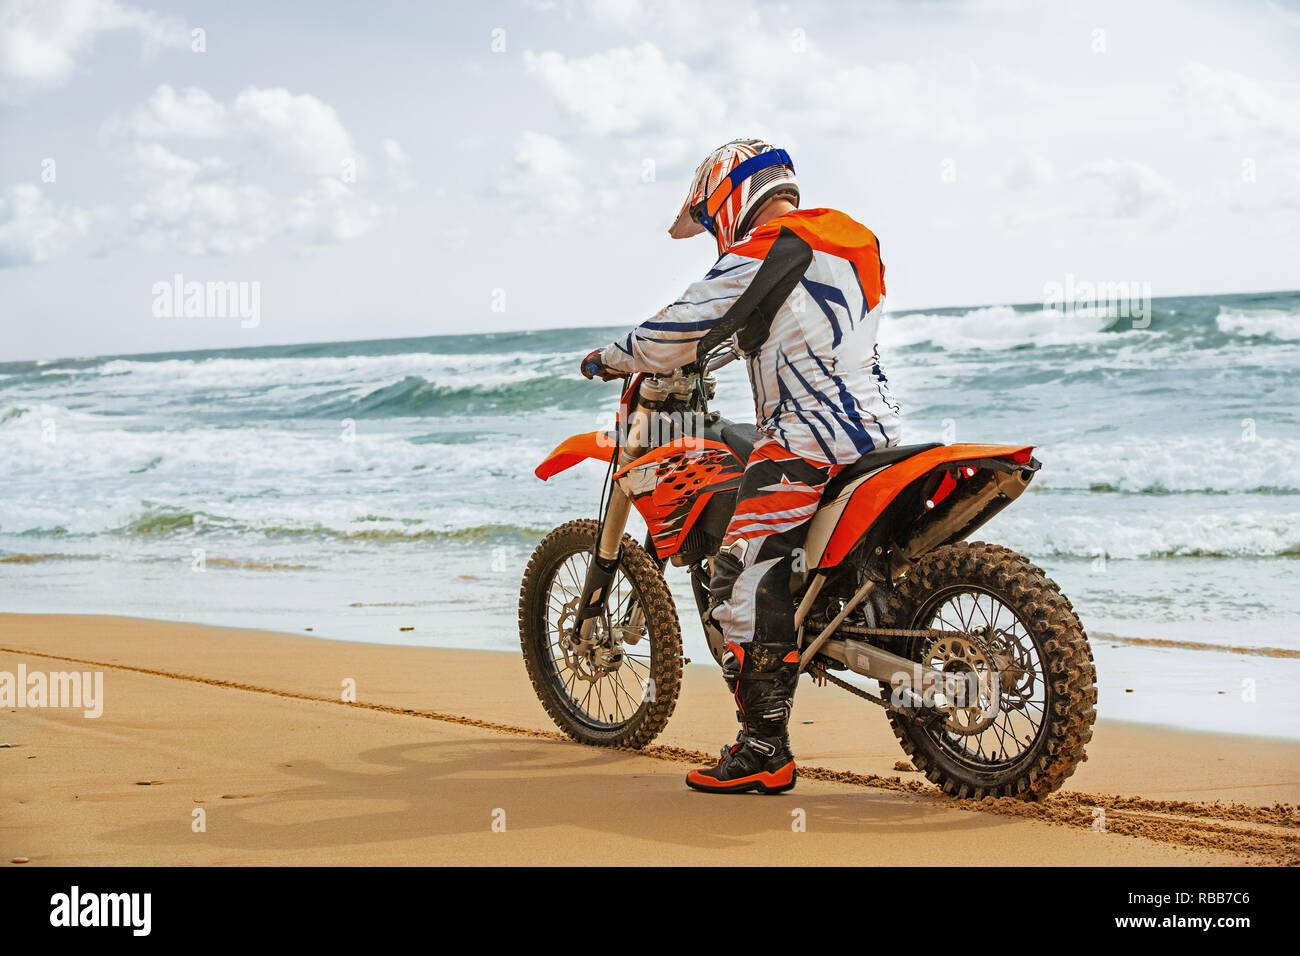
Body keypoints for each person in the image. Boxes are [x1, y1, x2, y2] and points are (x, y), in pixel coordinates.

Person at [580, 138, 901, 793]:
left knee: (736, 577)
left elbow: (683, 326)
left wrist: (614, 357)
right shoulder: (845, 240)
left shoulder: (766, 246)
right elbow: (798, 325)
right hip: (876, 434)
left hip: (808, 442)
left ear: (729, 196)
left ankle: (764, 749)